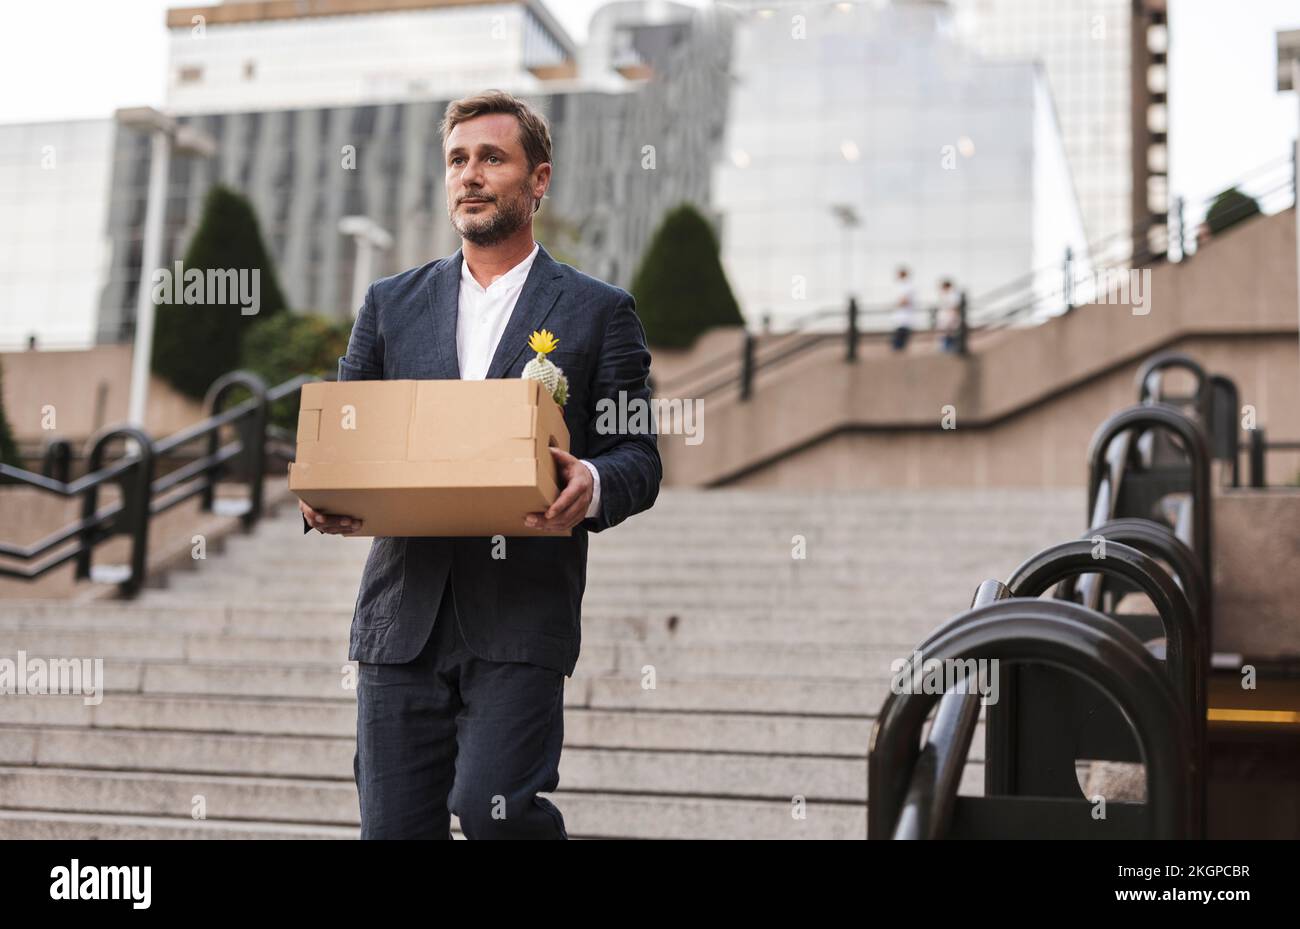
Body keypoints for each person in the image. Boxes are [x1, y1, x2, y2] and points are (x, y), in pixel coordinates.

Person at [298, 90, 661, 839]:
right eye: (458, 160)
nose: (470, 174)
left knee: (494, 811)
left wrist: (590, 482)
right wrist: (322, 494)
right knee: (394, 829)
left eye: (492, 158)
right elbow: (347, 432)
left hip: (521, 618)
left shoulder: (598, 310)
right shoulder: (390, 304)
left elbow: (639, 455)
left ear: (539, 180)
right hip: (402, 620)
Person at [891, 266, 915, 351]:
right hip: (901, 316)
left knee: (900, 337)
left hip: (904, 315)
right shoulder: (901, 285)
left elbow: (904, 300)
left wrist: (897, 304)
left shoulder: (906, 286)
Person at [936, 278, 961, 353]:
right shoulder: (943, 294)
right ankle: (945, 348)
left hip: (950, 316)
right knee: (944, 333)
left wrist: (953, 315)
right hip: (944, 317)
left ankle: (949, 347)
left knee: (950, 333)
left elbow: (955, 307)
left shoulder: (952, 295)